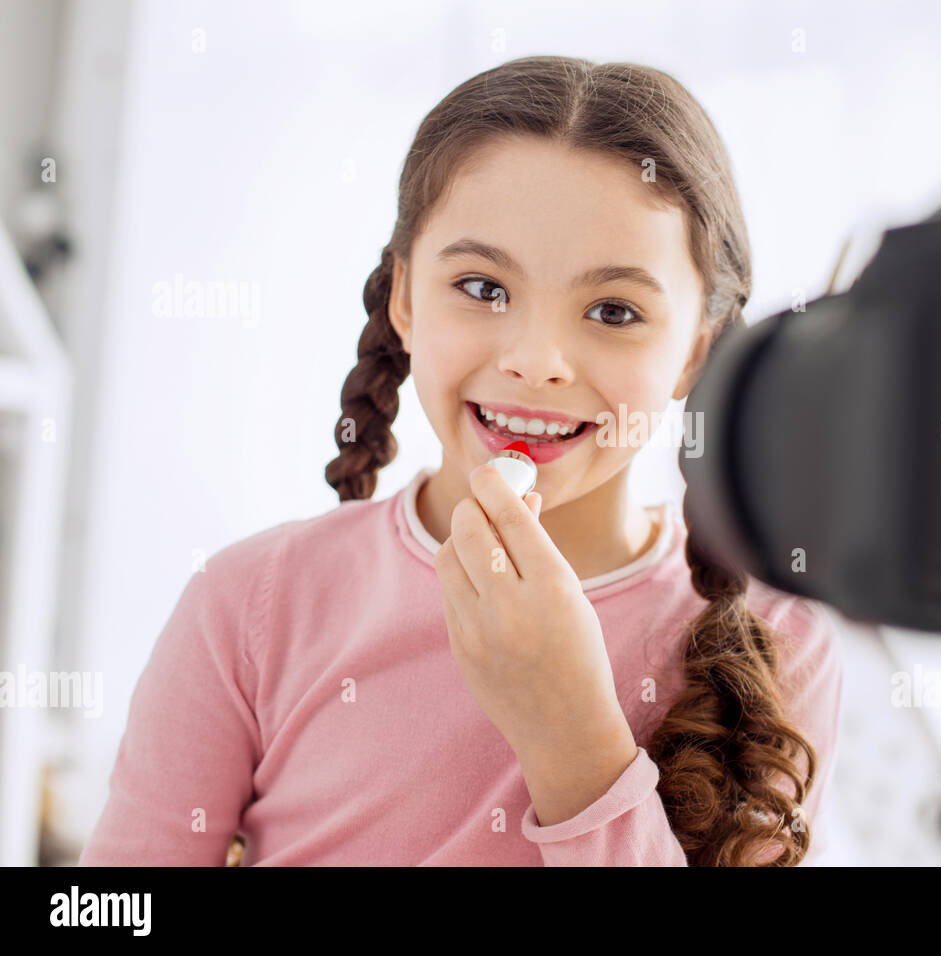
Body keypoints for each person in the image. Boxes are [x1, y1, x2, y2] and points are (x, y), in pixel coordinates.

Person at [78, 56, 843, 866]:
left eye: (614, 310)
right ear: (404, 298)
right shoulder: (248, 606)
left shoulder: (779, 641)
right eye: (483, 288)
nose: (536, 358)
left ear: (701, 349)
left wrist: (572, 739)